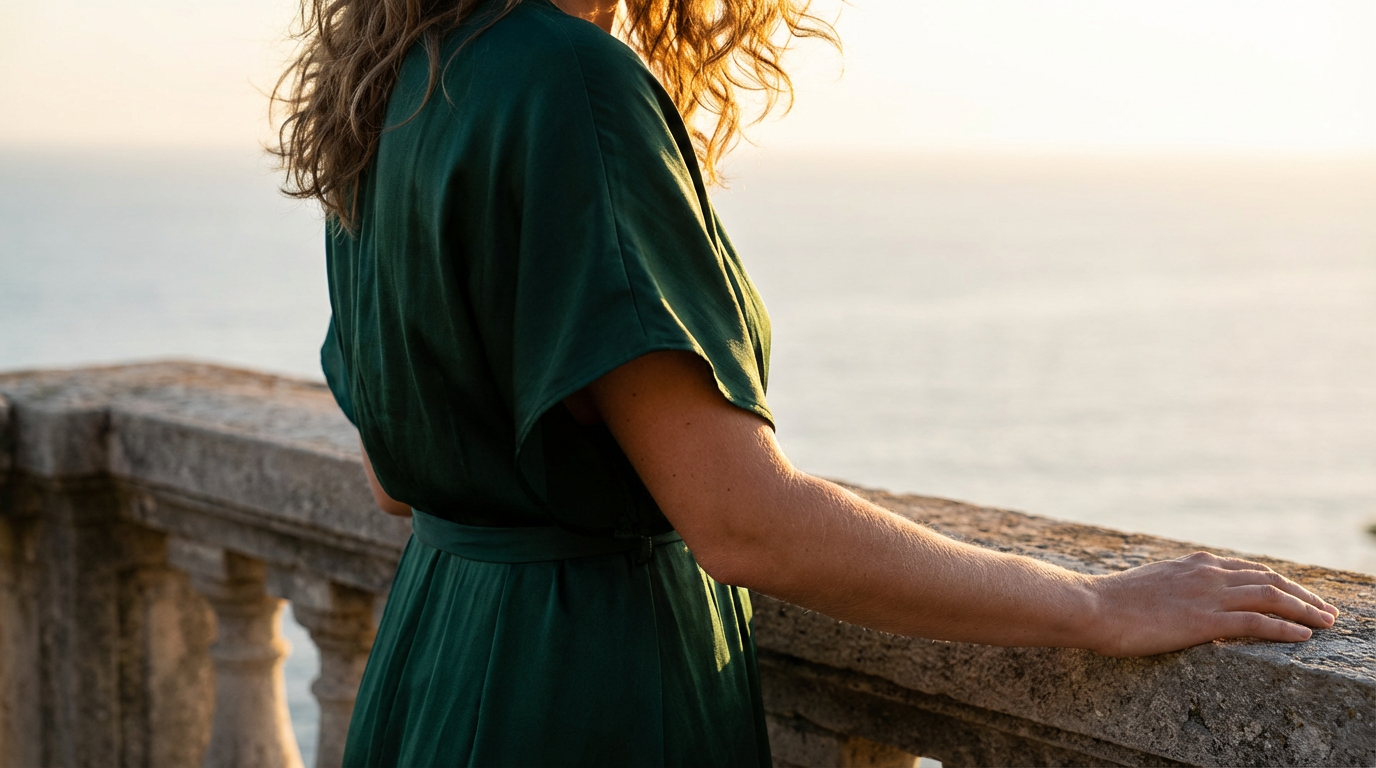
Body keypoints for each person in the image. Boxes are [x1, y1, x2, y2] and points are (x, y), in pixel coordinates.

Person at [272, 0, 1340, 764]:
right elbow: (743, 525)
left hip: (433, 661)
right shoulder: (568, 82)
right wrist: (1096, 602)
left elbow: (397, 479)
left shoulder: (402, 81)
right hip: (583, 689)